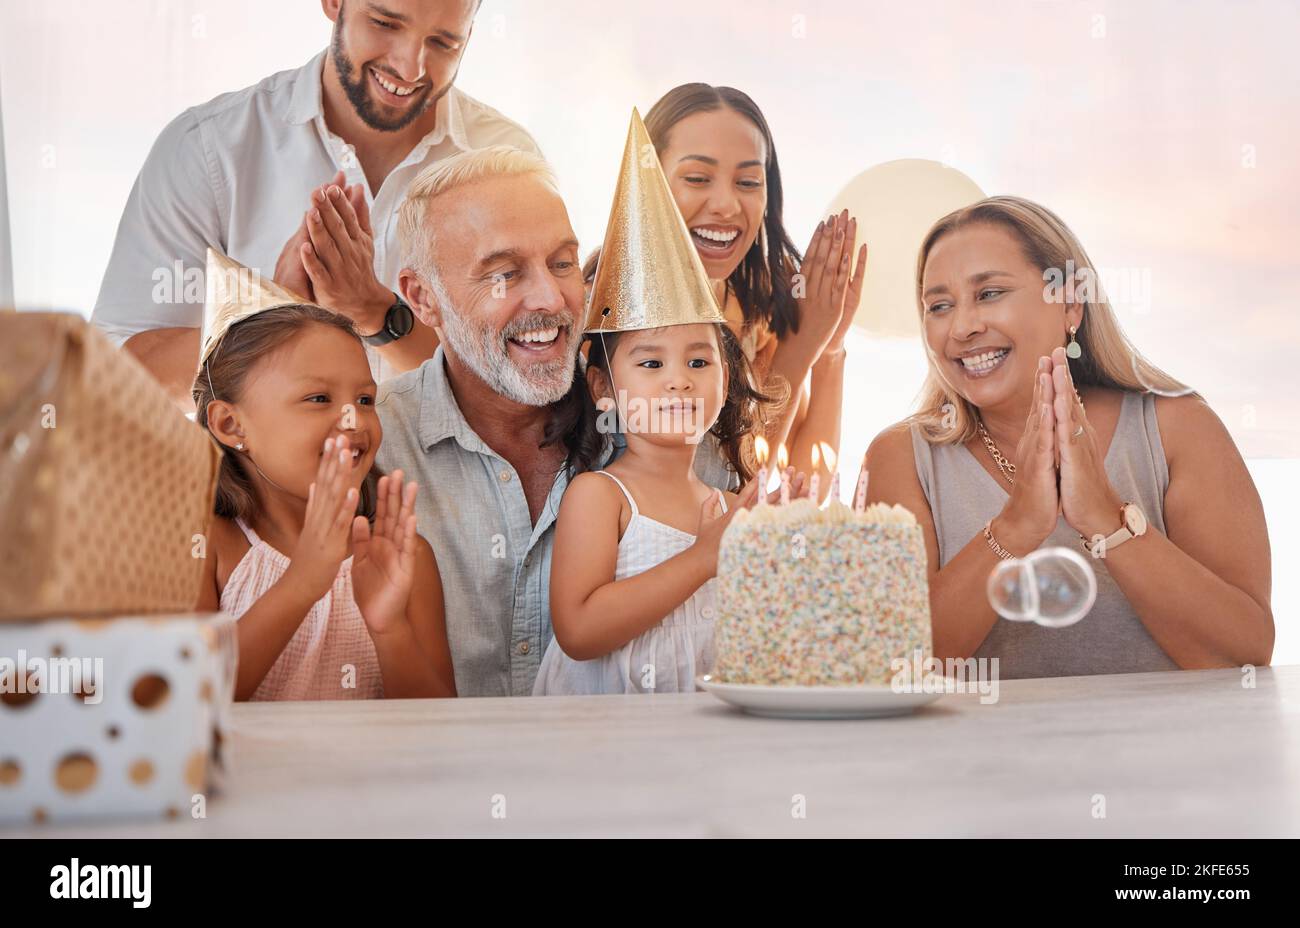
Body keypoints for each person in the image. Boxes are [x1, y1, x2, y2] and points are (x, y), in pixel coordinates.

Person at [864, 196, 1273, 678]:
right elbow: (889, 666)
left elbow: (1244, 654)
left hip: (1162, 753)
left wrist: (1105, 518)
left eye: (990, 293)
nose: (962, 327)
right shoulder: (900, 458)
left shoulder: (1178, 426)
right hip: (972, 756)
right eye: (939, 306)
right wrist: (1013, 528)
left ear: (1070, 303)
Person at [92, 0, 537, 410]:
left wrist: (378, 314)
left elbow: (524, 383)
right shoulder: (208, 148)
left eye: (443, 42)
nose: (409, 66)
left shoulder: (505, 160)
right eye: (385, 22)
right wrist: (272, 316)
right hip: (260, 498)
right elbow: (114, 378)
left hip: (445, 495)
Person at [535, 109, 775, 696]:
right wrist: (704, 559)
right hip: (605, 750)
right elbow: (579, 629)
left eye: (699, 362)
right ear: (602, 390)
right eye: (650, 364)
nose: (678, 382)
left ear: (727, 378)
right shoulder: (602, 496)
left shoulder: (726, 506)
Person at [584, 84, 867, 499]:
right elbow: (735, 476)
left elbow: (803, 488)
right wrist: (802, 345)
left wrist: (829, 347)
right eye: (698, 178)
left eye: (749, 182)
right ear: (650, 180)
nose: (727, 205)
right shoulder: (612, 310)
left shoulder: (755, 307)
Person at [193, 251, 454, 700]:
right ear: (230, 425)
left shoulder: (402, 554)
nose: (353, 420)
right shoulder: (206, 545)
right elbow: (183, 704)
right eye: (318, 399)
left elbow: (437, 728)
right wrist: (302, 583)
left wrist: (389, 628)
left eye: (366, 400)